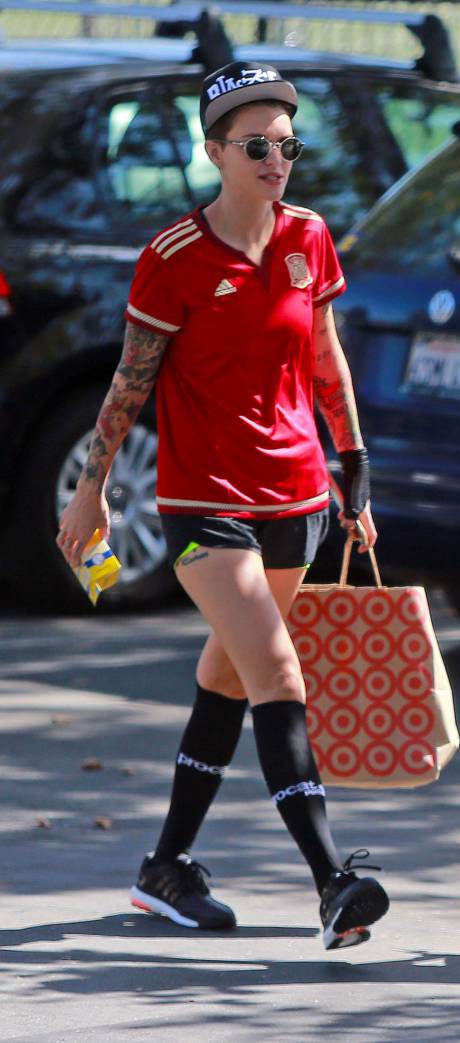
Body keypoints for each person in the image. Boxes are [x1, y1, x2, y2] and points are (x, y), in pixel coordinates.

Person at [57, 61, 388, 951]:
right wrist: (91, 487)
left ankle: (166, 866)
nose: (276, 160)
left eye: (288, 146)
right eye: (256, 147)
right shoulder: (174, 258)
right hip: (203, 502)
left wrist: (353, 464)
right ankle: (334, 881)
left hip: (298, 494)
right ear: (214, 152)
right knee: (276, 671)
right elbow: (129, 384)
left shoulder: (309, 236)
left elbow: (324, 356)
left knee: (231, 675)